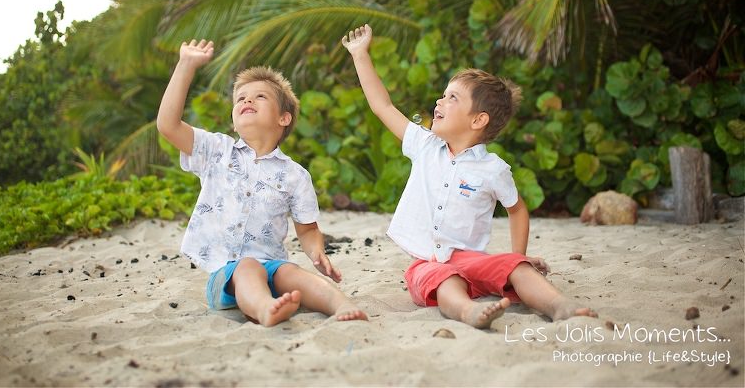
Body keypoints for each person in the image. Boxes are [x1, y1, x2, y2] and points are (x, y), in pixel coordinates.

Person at [342, 24, 597, 329]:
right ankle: (468, 311)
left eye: (452, 98)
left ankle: (560, 306)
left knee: (518, 268)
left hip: (473, 260)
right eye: (443, 95)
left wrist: (519, 256)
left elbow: (517, 210)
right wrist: (360, 55)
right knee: (444, 278)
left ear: (478, 120)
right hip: (428, 263)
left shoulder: (493, 169)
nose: (439, 101)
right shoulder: (425, 146)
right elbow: (382, 105)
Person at [157, 38, 367, 326]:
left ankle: (340, 304)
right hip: (227, 274)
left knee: (293, 274)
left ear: (283, 118)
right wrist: (186, 64)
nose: (247, 101)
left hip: (274, 266)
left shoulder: (295, 175)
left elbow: (307, 230)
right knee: (248, 267)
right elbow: (167, 125)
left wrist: (316, 251)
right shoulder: (216, 151)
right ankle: (265, 308)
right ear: (234, 122)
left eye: (259, 97)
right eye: (241, 98)